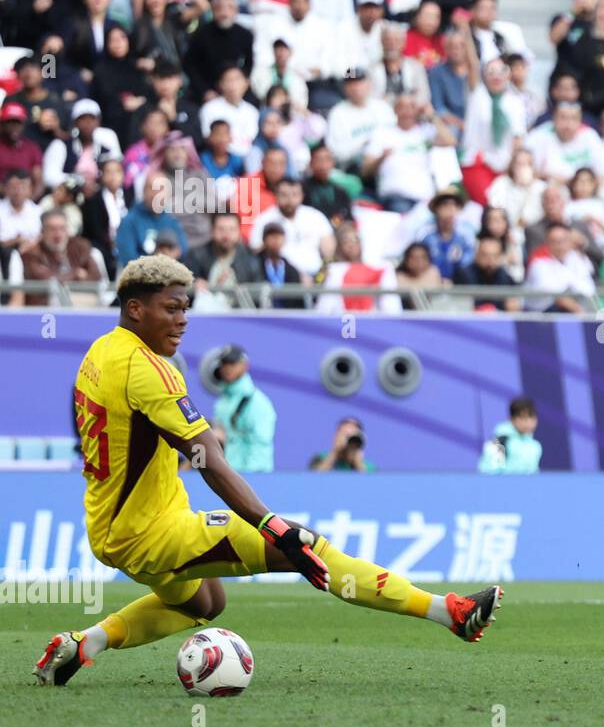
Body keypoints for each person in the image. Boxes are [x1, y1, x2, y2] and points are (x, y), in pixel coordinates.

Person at [34, 258, 501, 687]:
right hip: (150, 533)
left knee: (204, 605)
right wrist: (270, 524)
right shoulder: (148, 370)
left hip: (113, 524)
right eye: (171, 308)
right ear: (135, 308)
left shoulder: (100, 352)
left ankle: (85, 643)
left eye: (186, 308)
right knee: (305, 546)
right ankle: (449, 612)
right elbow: (208, 458)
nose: (182, 319)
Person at [210, 343, 276, 474]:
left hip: (249, 477)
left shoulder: (258, 402)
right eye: (224, 363)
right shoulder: (222, 402)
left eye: (232, 363)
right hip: (227, 476)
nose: (227, 367)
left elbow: (260, 446)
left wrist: (250, 478)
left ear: (245, 365)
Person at [478, 396, 541, 474]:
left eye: (531, 417)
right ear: (511, 419)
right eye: (522, 417)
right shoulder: (500, 441)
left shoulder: (535, 446)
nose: (528, 422)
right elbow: (491, 472)